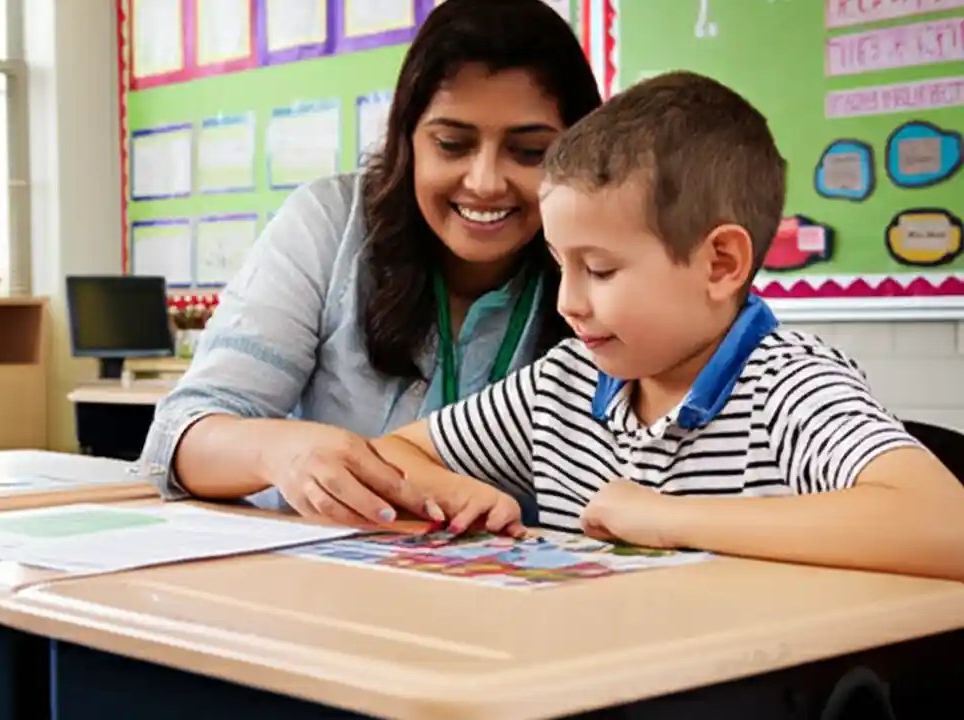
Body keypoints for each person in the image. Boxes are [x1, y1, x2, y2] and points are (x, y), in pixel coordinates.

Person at [370, 70, 964, 581]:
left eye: (599, 270)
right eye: (560, 265)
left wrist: (667, 517)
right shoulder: (564, 383)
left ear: (720, 264)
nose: (567, 304)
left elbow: (946, 525)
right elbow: (387, 454)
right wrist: (449, 489)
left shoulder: (787, 386)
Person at [137, 0, 601, 524]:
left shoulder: (614, 263)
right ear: (407, 139)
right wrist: (280, 451)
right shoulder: (329, 225)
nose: (485, 181)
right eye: (452, 144)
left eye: (530, 153)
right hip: (323, 586)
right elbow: (180, 438)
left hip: (520, 592)